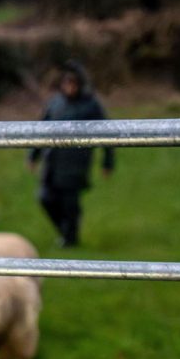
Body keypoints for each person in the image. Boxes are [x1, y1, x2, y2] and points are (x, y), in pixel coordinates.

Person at [28, 60, 115, 247]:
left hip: (75, 163)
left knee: (70, 204)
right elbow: (42, 129)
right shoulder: (55, 103)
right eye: (66, 83)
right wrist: (33, 155)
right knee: (45, 198)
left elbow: (106, 133)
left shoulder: (90, 105)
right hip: (53, 161)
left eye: (73, 83)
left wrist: (108, 162)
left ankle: (70, 239)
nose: (69, 87)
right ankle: (65, 231)